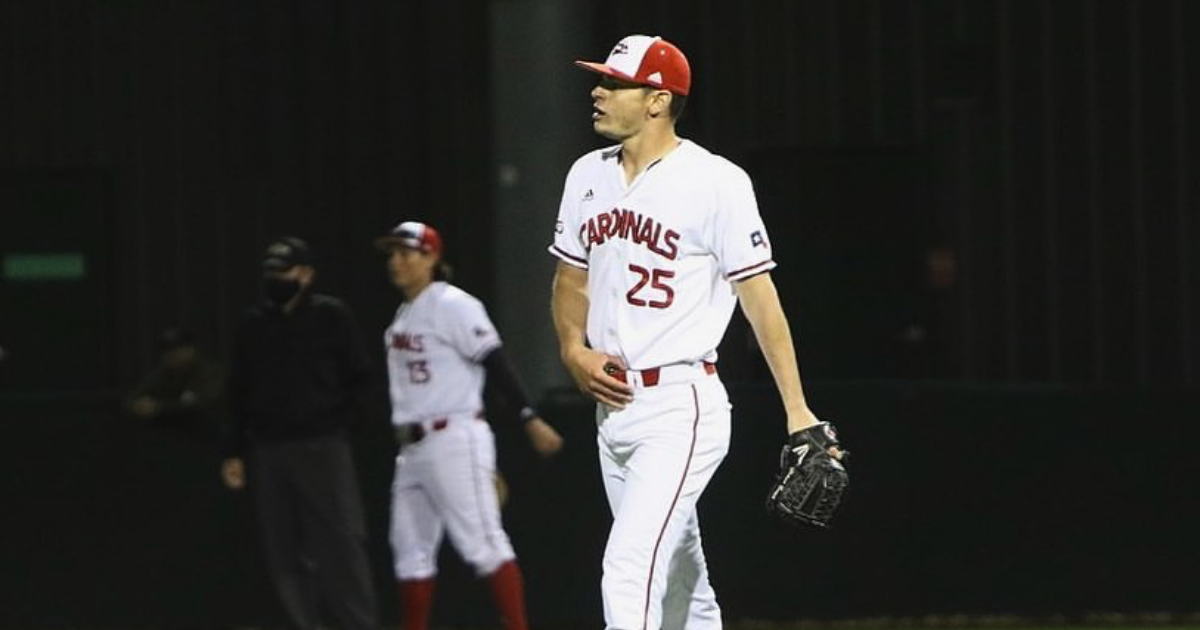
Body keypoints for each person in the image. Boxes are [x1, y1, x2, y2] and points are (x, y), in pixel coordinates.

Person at [548, 35, 842, 630]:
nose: (597, 91)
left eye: (615, 83)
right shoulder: (586, 175)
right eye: (600, 80)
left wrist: (798, 410)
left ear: (658, 100)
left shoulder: (716, 181)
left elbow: (761, 302)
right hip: (613, 411)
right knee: (681, 578)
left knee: (629, 565)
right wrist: (571, 349)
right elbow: (568, 278)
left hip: (681, 405)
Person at [376, 221, 564, 630]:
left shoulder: (452, 304)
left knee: (483, 544)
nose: (396, 262)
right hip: (411, 449)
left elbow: (494, 360)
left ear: (431, 258)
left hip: (453, 437)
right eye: (391, 254)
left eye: (405, 253)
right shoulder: (407, 312)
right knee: (409, 550)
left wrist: (527, 416)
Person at [221, 236, 380, 630]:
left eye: (285, 271)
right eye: (271, 272)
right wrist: (234, 451)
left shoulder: (331, 317)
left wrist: (342, 427)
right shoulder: (252, 325)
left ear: (306, 274)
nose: (277, 279)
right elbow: (238, 390)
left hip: (322, 445)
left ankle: (359, 624)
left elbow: (360, 378)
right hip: (270, 448)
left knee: (340, 544)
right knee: (284, 551)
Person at [124, 326, 225, 439]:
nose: (171, 354)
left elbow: (204, 402)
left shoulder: (210, 371)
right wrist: (136, 406)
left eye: (177, 348)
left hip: (205, 436)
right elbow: (135, 395)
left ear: (191, 349)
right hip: (171, 436)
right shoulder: (162, 374)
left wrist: (159, 407)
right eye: (166, 350)